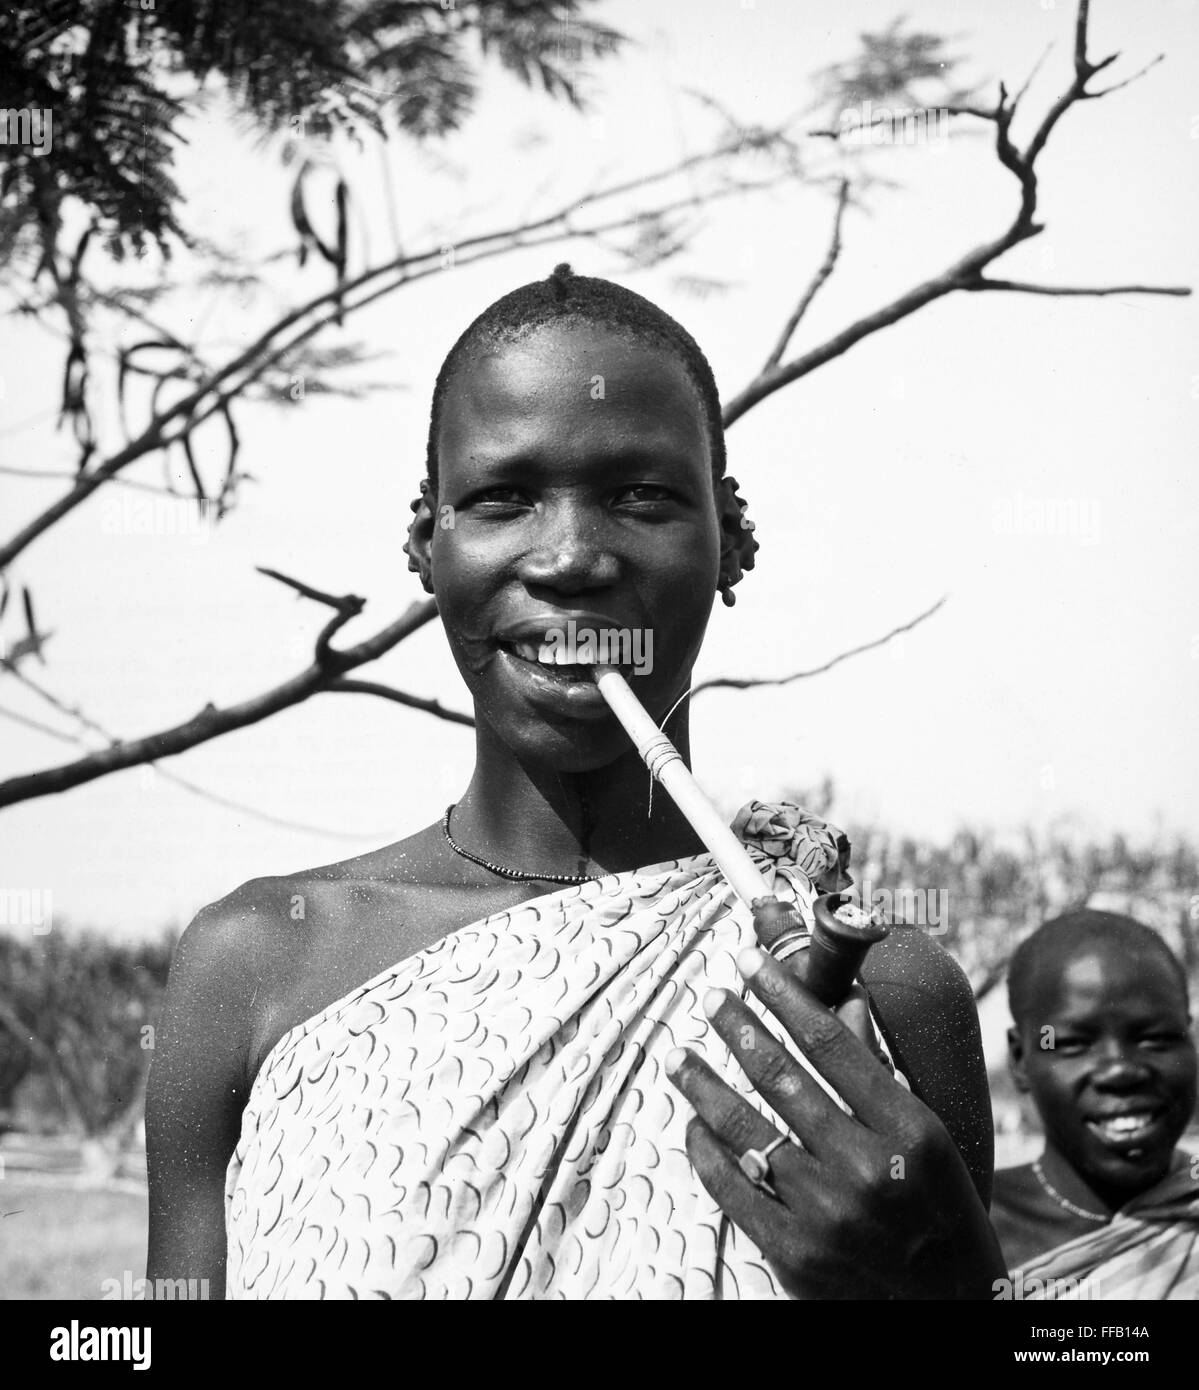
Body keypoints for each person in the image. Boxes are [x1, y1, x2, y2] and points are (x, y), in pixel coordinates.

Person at [146, 264, 1005, 1299]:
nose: (568, 559)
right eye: (504, 498)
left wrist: (948, 1284)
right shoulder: (254, 964)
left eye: (639, 497)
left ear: (731, 541)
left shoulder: (881, 989)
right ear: (428, 542)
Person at [991, 910, 1199, 1298]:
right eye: (1071, 1044)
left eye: (1156, 1038)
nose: (1120, 1071)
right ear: (1020, 1061)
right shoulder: (962, 1226)